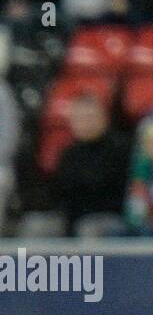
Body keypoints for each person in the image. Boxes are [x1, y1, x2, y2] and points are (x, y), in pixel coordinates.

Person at [51, 93, 133, 235]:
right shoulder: (68, 154)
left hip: (109, 217)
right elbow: (60, 194)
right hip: (72, 217)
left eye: (90, 118)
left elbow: (118, 194)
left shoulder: (120, 149)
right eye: (79, 118)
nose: (85, 123)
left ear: (104, 119)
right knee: (36, 226)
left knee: (88, 228)